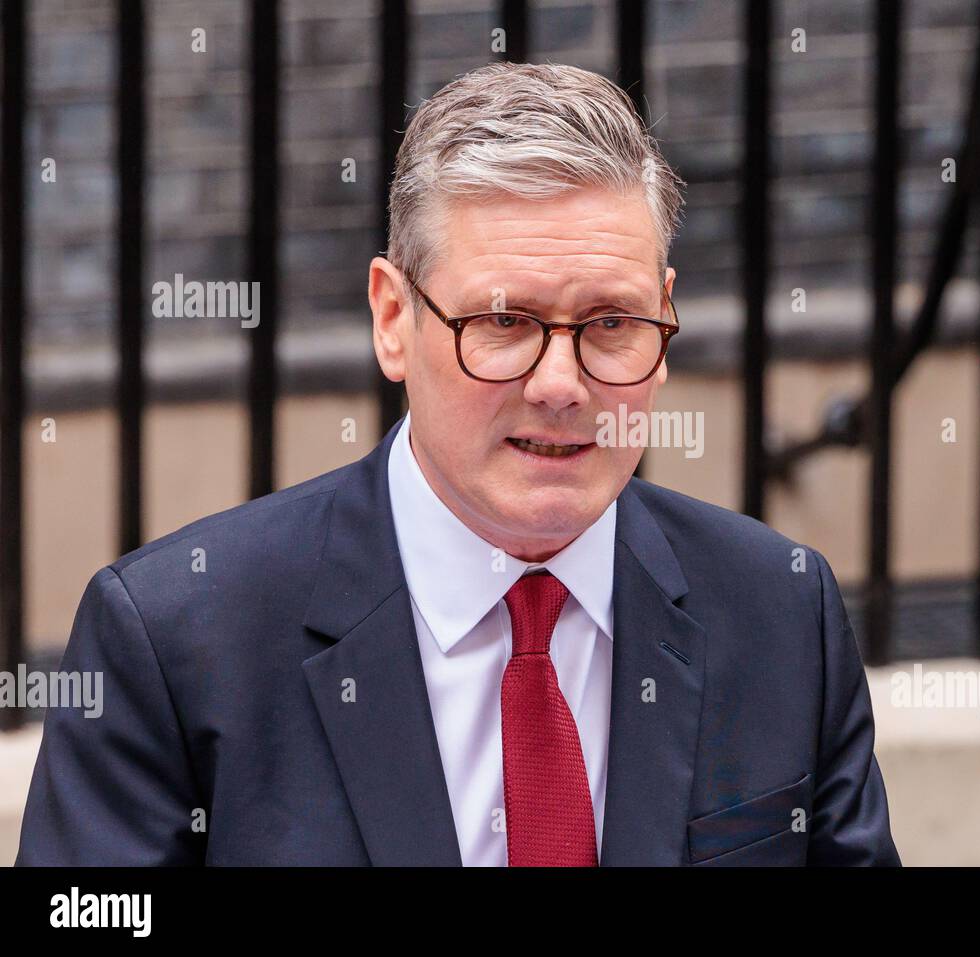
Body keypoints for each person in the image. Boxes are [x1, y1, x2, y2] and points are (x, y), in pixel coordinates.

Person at [17, 62, 900, 866]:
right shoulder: (174, 644)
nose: (563, 385)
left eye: (611, 324)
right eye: (505, 324)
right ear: (392, 319)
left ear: (665, 322)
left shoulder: (784, 612)